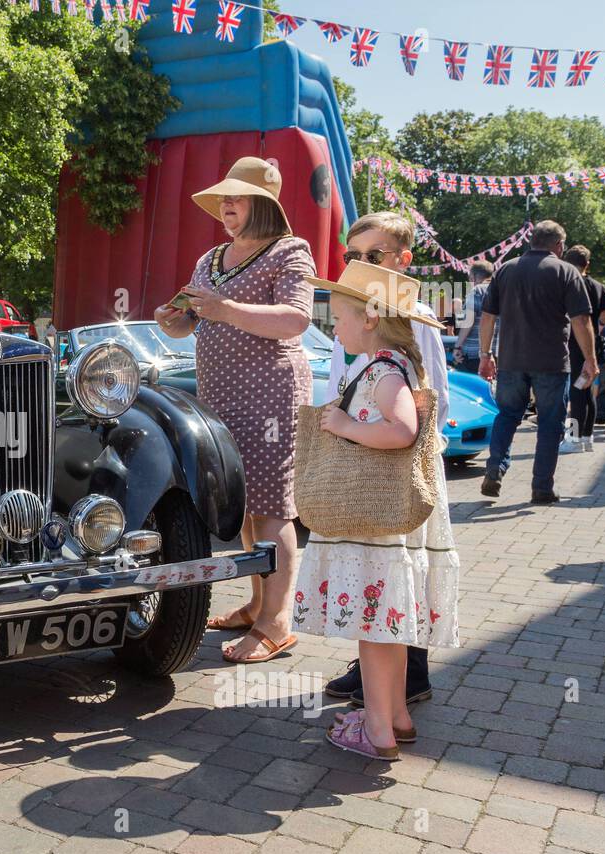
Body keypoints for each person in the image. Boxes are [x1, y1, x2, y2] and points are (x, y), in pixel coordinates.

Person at [294, 262, 459, 761]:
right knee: (386, 626)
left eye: (339, 317)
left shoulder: (383, 372)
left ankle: (377, 731)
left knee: (373, 630)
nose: (333, 328)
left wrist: (343, 426)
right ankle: (396, 718)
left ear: (369, 318)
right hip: (389, 529)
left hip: (376, 531)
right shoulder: (395, 365)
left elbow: (403, 430)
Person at [154, 156, 314, 664]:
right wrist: (171, 319)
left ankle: (277, 621)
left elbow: (296, 319)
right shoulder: (211, 258)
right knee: (242, 503)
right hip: (220, 395)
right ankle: (255, 603)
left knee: (272, 506)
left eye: (235, 197)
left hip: (271, 393)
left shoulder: (290, 251)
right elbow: (188, 324)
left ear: (262, 204)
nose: (224, 205)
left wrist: (226, 310)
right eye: (222, 197)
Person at [322, 212, 449, 707]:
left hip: (397, 467)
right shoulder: (352, 317)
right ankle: (378, 674)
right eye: (351, 256)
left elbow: (431, 398)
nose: (359, 265)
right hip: (361, 456)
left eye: (373, 257)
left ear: (403, 261)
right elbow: (340, 380)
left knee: (399, 568)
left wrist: (405, 451)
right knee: (372, 570)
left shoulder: (415, 325)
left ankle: (408, 673)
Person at [478, 221, 595, 504]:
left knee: (507, 416)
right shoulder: (566, 271)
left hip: (510, 360)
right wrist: (590, 359)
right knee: (550, 424)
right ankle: (542, 487)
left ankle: (495, 467)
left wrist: (485, 354)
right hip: (552, 361)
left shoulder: (505, 269)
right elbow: (581, 320)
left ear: (532, 241)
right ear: (558, 245)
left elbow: (488, 317)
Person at [559, 245, 605, 453]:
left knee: (576, 391)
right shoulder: (595, 285)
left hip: (574, 344)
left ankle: (575, 439)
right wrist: (602, 318)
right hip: (593, 343)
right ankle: (586, 437)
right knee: (587, 392)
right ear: (587, 264)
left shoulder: (568, 283)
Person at [453, 261, 494, 374]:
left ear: (473, 277)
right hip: (499, 353)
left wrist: (457, 346)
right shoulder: (503, 289)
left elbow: (468, 322)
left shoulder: (477, 291)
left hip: (475, 353)